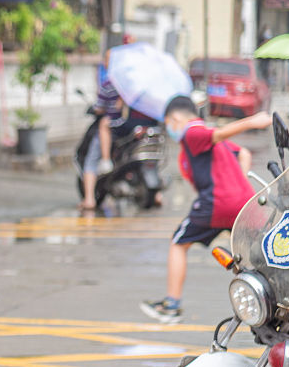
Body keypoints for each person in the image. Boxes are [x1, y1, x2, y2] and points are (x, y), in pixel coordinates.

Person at [141, 97, 270, 323]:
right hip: (243, 204)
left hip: (217, 204)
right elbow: (244, 153)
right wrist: (237, 185)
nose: (170, 129)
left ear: (176, 118)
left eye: (168, 123)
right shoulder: (201, 140)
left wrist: (251, 121)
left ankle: (171, 305)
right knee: (263, 257)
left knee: (178, 242)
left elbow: (217, 134)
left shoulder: (193, 132)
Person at [80, 51, 124, 211]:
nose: (104, 62)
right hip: (129, 129)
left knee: (91, 160)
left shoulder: (109, 84)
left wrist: (97, 109)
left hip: (114, 127)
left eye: (106, 59)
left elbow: (100, 108)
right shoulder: (132, 85)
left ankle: (89, 199)